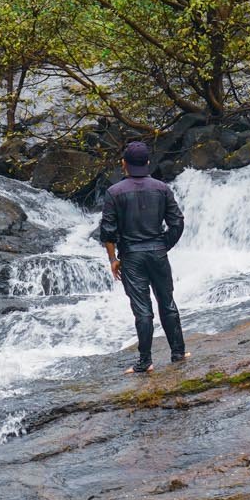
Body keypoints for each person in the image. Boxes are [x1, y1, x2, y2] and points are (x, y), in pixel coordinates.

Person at [98, 140, 186, 375]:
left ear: (123, 164)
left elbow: (107, 231)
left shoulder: (114, 192)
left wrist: (113, 259)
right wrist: (163, 244)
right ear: (148, 162)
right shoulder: (162, 188)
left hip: (132, 257)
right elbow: (177, 222)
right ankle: (178, 353)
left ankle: (145, 361)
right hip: (158, 253)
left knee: (142, 310)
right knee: (167, 302)